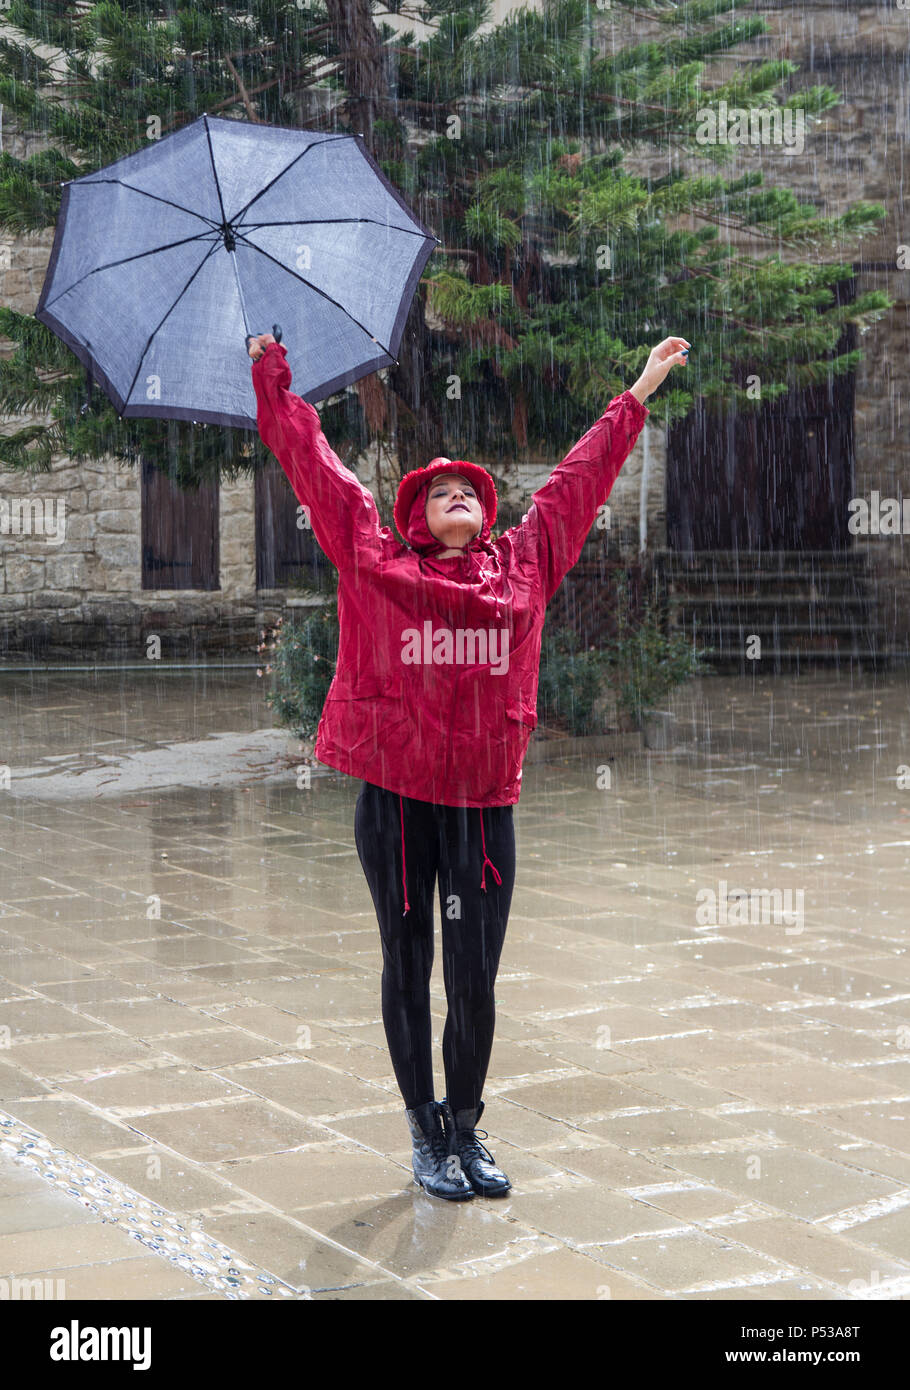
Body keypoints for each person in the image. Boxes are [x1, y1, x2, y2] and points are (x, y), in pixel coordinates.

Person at [250, 331, 690, 1201]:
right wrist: (273, 377)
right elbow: (317, 467)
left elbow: (575, 488)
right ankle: (422, 1130)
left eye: (469, 492)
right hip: (400, 801)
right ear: (417, 518)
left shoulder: (522, 568)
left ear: (487, 517)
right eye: (441, 492)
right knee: (407, 958)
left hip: (483, 802)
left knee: (476, 970)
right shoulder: (376, 563)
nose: (458, 497)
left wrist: (636, 391)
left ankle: (466, 1126)